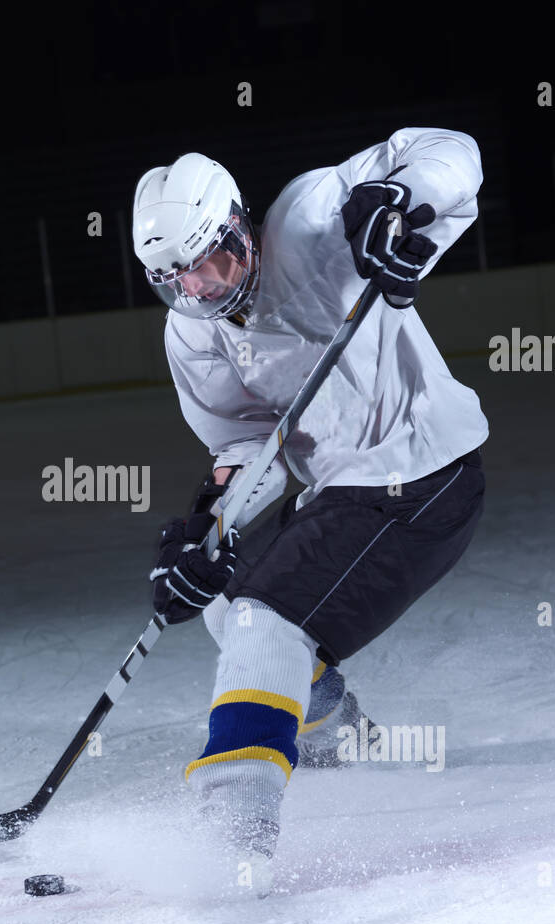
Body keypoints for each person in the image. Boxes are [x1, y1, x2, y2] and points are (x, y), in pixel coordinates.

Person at [134, 129, 489, 884]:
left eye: (211, 259)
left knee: (267, 622)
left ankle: (234, 837)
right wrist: (210, 531)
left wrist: (397, 202)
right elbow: (247, 445)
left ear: (241, 225)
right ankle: (333, 732)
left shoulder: (310, 223)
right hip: (344, 491)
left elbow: (453, 153)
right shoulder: (194, 334)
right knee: (227, 608)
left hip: (422, 472)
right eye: (176, 279)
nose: (200, 288)